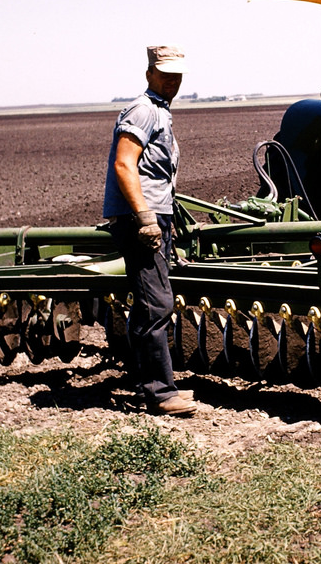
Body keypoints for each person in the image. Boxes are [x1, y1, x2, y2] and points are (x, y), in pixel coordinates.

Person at [102, 45, 196, 416]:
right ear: (149, 74)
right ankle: (160, 394)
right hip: (142, 220)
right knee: (157, 304)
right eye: (165, 73)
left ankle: (153, 387)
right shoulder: (143, 110)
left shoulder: (160, 111)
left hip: (154, 216)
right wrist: (144, 217)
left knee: (149, 306)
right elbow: (124, 165)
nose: (173, 80)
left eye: (178, 74)